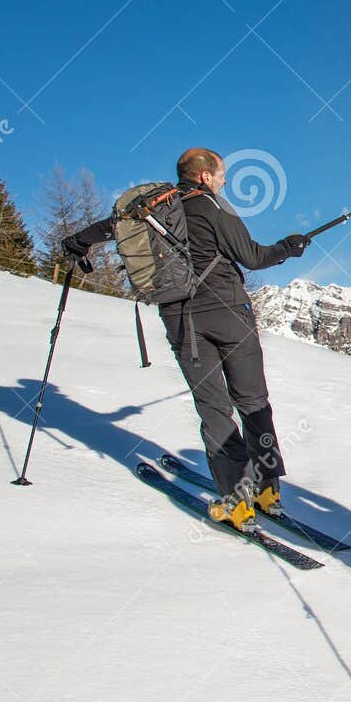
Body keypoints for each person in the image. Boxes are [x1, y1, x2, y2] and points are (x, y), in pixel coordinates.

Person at [62, 147, 311, 530]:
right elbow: (253, 257)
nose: (224, 181)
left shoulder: (150, 208)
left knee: (214, 409)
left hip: (182, 321)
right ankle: (266, 489)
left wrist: (78, 241)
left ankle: (237, 502)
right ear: (205, 176)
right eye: (222, 174)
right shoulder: (212, 206)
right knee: (253, 402)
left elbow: (112, 227)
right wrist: (288, 248)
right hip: (230, 315)